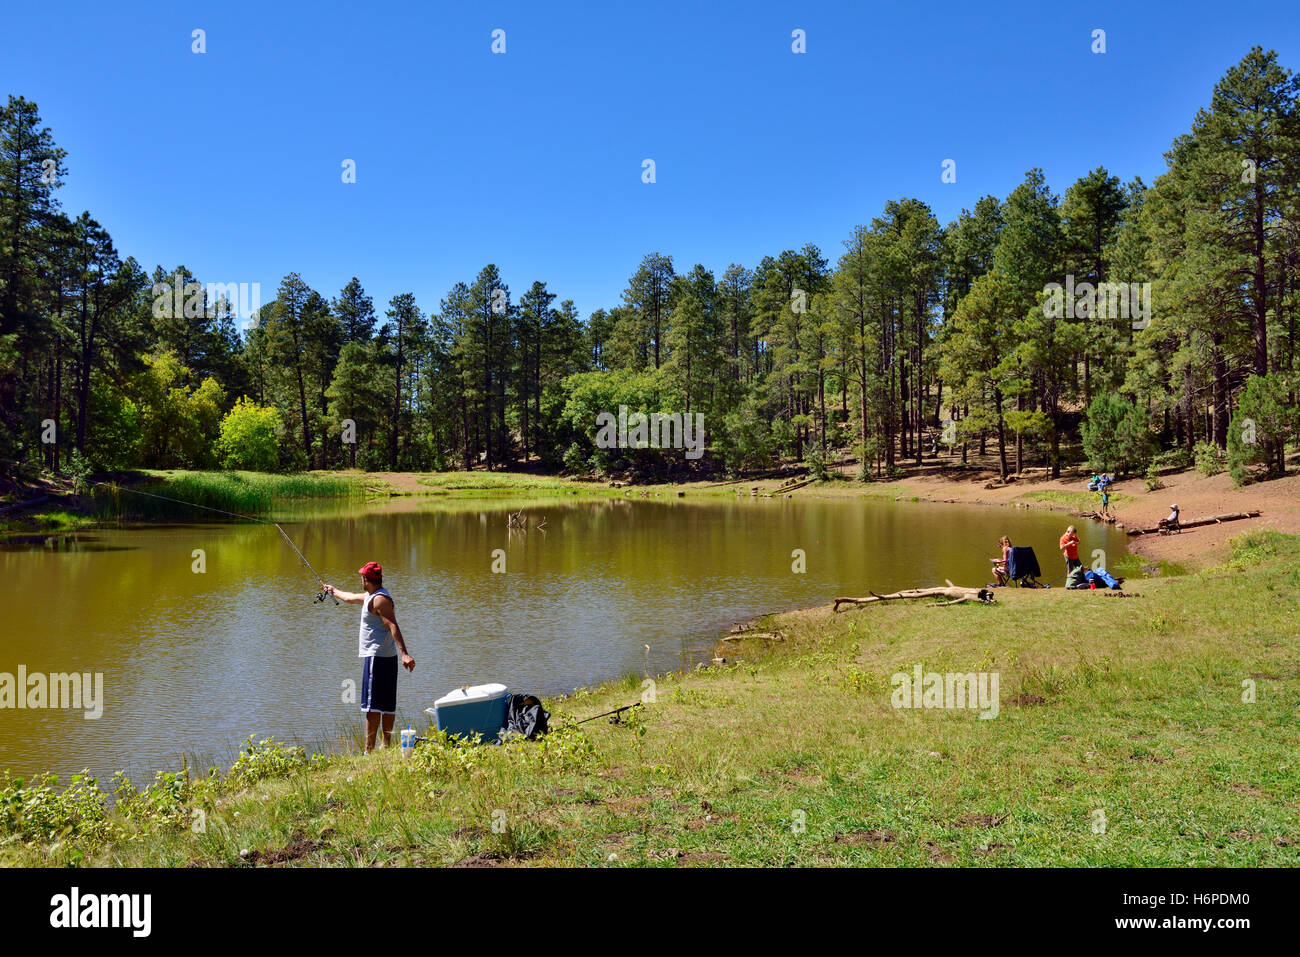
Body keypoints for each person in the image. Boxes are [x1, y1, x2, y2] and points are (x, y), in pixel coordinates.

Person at [323, 562, 415, 752]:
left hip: (377, 658)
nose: (361, 580)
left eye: (362, 577)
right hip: (387, 658)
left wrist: (404, 654)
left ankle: (369, 750)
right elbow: (348, 598)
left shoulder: (379, 600)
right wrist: (332, 590)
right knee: (387, 704)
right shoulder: (370, 597)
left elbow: (393, 626)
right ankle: (385, 748)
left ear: (366, 579)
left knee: (372, 706)